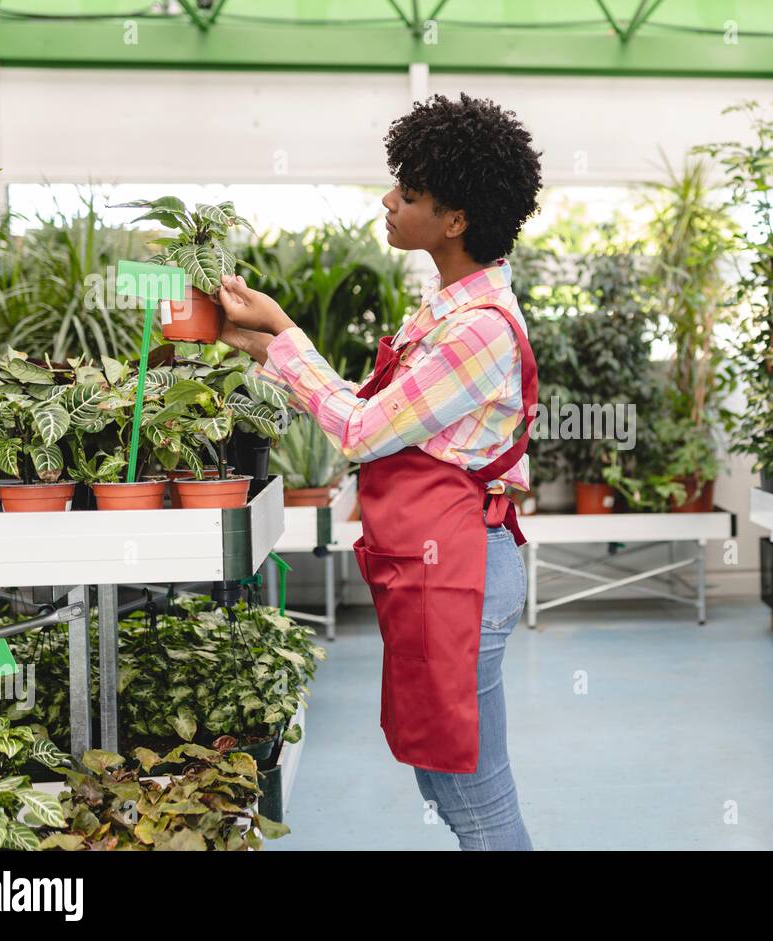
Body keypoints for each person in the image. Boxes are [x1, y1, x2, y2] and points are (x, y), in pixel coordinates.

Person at [215, 92, 542, 851]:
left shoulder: (479, 332)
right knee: (444, 776)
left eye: (410, 194)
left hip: (464, 573)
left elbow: (363, 431)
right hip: (439, 565)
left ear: (455, 220)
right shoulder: (448, 310)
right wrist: (264, 342)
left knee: (475, 793)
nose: (388, 201)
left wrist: (287, 336)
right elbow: (381, 411)